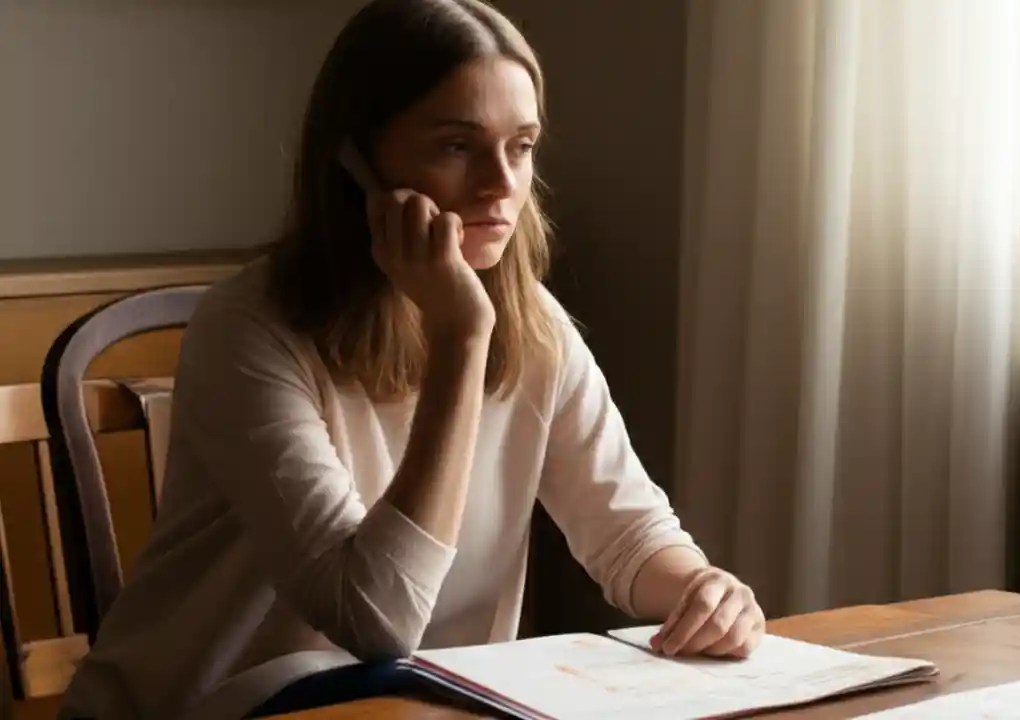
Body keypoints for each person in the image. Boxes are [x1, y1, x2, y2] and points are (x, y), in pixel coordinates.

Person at [60, 1, 764, 718]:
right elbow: (375, 618)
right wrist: (461, 339)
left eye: (520, 146)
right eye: (457, 146)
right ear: (355, 160)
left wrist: (700, 589)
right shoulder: (249, 330)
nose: (501, 184)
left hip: (406, 709)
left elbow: (628, 535)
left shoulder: (536, 326)